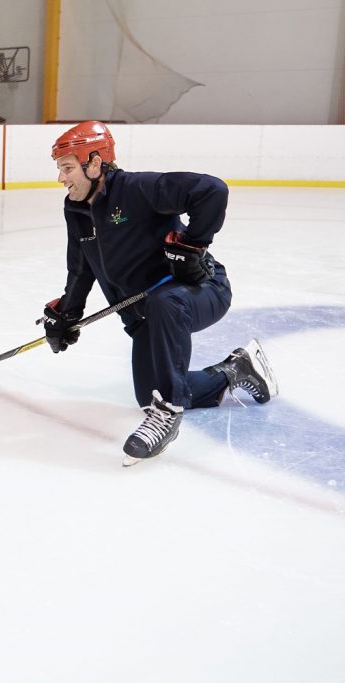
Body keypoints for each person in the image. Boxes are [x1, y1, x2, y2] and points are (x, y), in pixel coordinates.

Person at [44, 121, 278, 467]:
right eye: (60, 169)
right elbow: (82, 265)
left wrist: (192, 245)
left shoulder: (137, 189)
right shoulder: (76, 209)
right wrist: (67, 313)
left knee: (164, 306)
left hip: (202, 289)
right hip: (144, 313)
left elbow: (212, 190)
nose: (61, 178)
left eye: (67, 168)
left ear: (95, 163)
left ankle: (168, 412)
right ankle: (235, 370)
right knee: (146, 394)